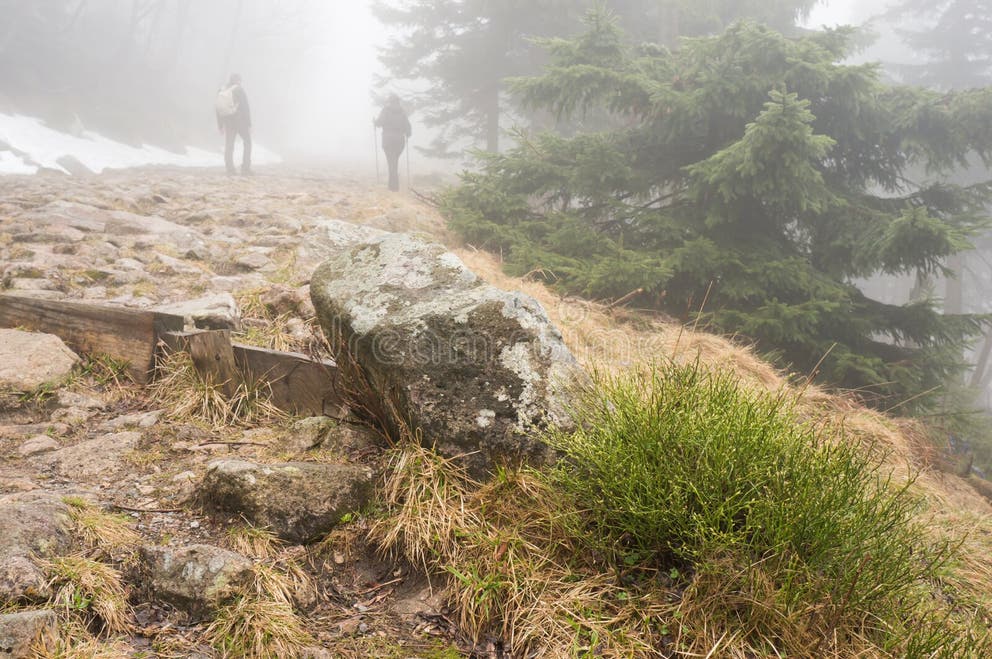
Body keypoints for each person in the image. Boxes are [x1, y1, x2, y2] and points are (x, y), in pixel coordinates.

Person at [216, 73, 252, 175]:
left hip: (228, 122)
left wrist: (220, 125)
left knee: (229, 145)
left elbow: (218, 109)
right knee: (248, 142)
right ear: (238, 81)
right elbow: (245, 107)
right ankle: (245, 168)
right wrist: (249, 124)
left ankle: (230, 169)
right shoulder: (239, 90)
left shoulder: (222, 91)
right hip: (240, 122)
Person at [374, 94, 411, 191]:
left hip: (388, 140)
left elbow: (379, 123)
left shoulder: (386, 110)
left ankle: (394, 187)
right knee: (394, 162)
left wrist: (375, 122)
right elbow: (408, 128)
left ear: (390, 101)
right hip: (400, 141)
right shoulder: (402, 112)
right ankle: (392, 186)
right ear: (398, 101)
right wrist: (407, 133)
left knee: (392, 162)